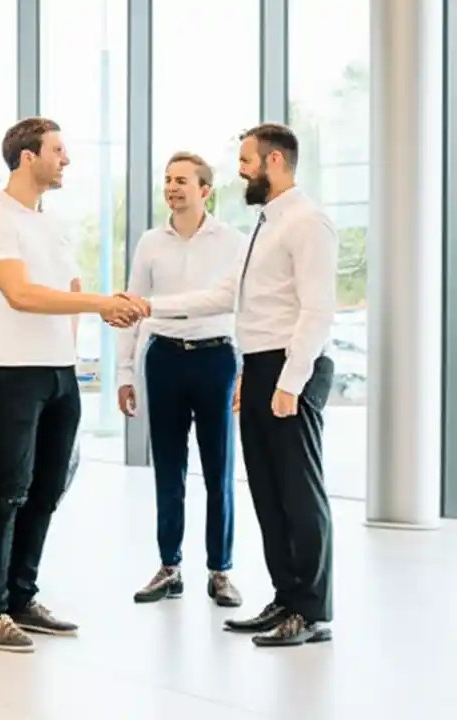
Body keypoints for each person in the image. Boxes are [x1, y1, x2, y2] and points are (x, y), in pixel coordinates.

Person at [122, 122, 338, 647]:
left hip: (291, 368)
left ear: (275, 163)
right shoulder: (267, 225)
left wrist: (290, 381)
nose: (241, 170)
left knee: (299, 495)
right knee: (268, 491)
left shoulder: (308, 223)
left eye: (247, 161)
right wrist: (149, 308)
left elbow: (318, 309)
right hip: (261, 366)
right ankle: (285, 599)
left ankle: (310, 613)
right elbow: (221, 296)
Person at [0, 116, 143, 653]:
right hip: (13, 373)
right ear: (28, 157)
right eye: (58, 150)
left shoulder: (54, 223)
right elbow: (22, 294)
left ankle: (23, 597)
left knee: (46, 490)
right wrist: (100, 304)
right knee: (10, 492)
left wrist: (79, 333)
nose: (66, 160)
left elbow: (67, 286)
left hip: (59, 374)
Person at [117, 152, 246, 608]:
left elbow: (242, 308)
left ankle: (221, 571)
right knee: (168, 470)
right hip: (164, 358)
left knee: (219, 472)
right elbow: (132, 306)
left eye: (182, 181)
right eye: (168, 180)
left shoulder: (233, 241)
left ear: (205, 190)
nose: (172, 188)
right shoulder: (151, 242)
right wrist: (124, 372)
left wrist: (246, 369)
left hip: (216, 360)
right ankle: (169, 567)